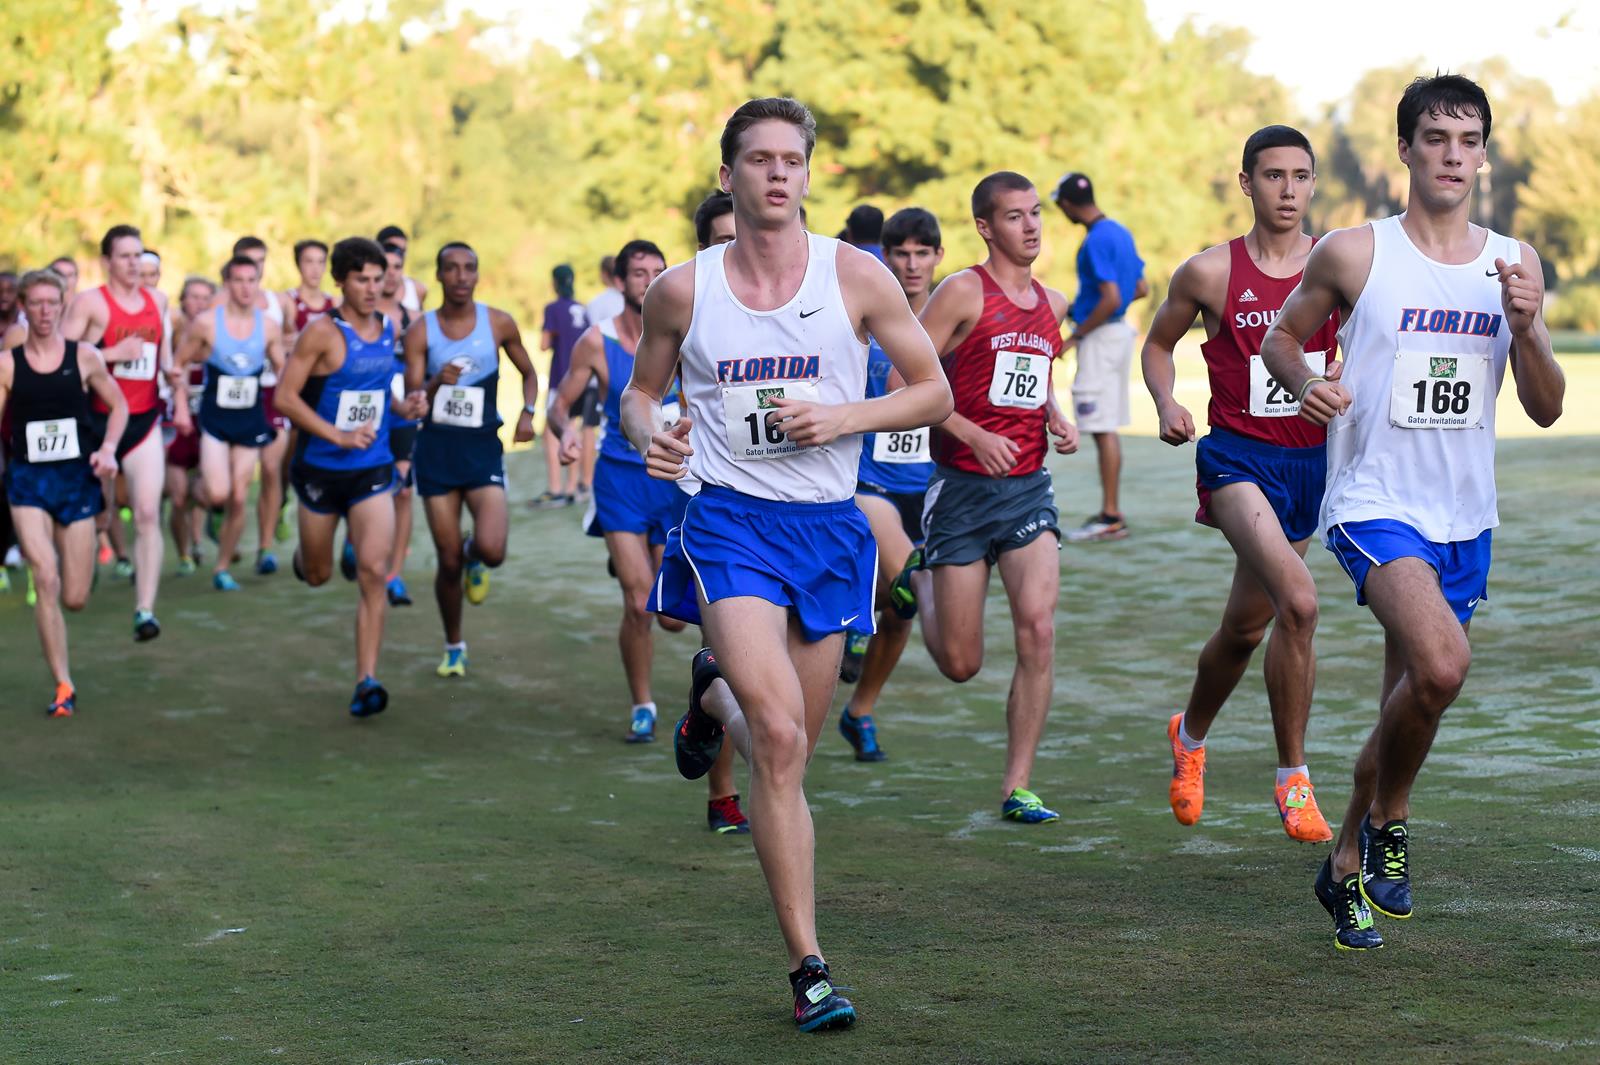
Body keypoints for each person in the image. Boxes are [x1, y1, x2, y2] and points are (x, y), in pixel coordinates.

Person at [627, 97, 951, 1032]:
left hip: (826, 528)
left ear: (809, 173)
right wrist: (656, 435)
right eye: (758, 159)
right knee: (776, 738)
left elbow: (932, 390)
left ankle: (707, 698)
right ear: (727, 175)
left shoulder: (855, 278)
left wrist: (845, 417)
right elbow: (640, 396)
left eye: (791, 159)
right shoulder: (683, 292)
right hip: (727, 523)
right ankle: (810, 964)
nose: (776, 173)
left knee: (789, 748)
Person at [1260, 74, 1564, 951]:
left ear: (1483, 153)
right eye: (1436, 138)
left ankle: (1345, 858)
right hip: (1373, 500)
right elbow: (1283, 339)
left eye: (1469, 140)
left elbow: (1544, 405)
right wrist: (1310, 381)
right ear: (1405, 148)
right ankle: (1391, 818)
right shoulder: (1357, 253)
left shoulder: (1513, 263)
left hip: (1464, 512)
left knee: (1412, 694)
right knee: (1441, 663)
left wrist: (1532, 328)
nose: (1453, 156)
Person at [1140, 125, 1342, 844]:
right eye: (1273, 175)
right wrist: (1167, 402)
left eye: (1300, 176)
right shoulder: (1209, 273)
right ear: (1247, 183)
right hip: (1235, 460)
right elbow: (1159, 343)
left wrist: (1342, 381)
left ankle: (1189, 735)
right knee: (1300, 601)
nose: (1288, 190)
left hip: (1308, 466)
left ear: (1313, 183)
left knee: (1245, 626)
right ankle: (1294, 779)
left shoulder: (1342, 265)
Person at [890, 172, 1078, 824]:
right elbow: (899, 380)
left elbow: (1033, 375)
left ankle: (1018, 785)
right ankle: (918, 575)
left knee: (1039, 628)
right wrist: (969, 430)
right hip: (961, 490)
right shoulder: (961, 291)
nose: (1030, 226)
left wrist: (1055, 412)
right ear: (985, 226)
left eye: (1035, 214)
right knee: (961, 663)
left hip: (1028, 487)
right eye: (1015, 216)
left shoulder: (1052, 302)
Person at [275, 236, 427, 717]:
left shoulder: (388, 327)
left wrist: (406, 406)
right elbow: (285, 398)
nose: (370, 287)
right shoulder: (322, 333)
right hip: (320, 470)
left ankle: (366, 680)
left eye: (377, 278)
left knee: (373, 573)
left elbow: (380, 390)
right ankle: (309, 555)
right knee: (318, 576)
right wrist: (338, 437)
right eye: (360, 278)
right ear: (341, 280)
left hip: (371, 471)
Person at [836, 206, 944, 760]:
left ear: (937, 257)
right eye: (898, 252)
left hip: (929, 489)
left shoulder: (954, 317)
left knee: (901, 608)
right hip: (866, 481)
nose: (910, 263)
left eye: (921, 252)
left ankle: (861, 709)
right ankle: (856, 621)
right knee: (909, 582)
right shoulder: (865, 313)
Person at [402, 242, 538, 679]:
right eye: (452, 269)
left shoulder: (497, 323)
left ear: (477, 275)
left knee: (492, 549)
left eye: (469, 269)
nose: (461, 276)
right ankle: (454, 644)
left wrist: (528, 413)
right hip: (437, 453)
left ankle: (473, 553)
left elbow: (529, 372)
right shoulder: (421, 331)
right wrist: (435, 382)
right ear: (439, 276)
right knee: (446, 563)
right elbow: (413, 401)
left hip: (482, 449)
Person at [2, 269, 127, 715]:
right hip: (28, 482)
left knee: (75, 597)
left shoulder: (86, 356)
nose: (44, 312)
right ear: (23, 306)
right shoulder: (8, 364)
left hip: (76, 480)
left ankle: (89, 551)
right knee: (45, 576)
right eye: (35, 303)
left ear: (62, 305)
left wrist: (109, 448)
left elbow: (119, 405)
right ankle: (63, 685)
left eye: (51, 303)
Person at [62, 224, 173, 642]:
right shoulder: (91, 303)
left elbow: (161, 353)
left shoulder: (158, 300)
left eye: (138, 254)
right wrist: (110, 354)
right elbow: (62, 360)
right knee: (99, 515)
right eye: (124, 256)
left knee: (147, 513)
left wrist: (170, 372)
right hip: (95, 422)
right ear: (107, 261)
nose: (133, 263)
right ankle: (78, 567)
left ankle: (145, 609)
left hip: (143, 420)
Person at [175, 254, 285, 591]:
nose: (246, 287)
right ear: (227, 284)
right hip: (215, 419)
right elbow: (178, 365)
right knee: (219, 493)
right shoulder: (208, 323)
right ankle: (200, 495)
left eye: (252, 280)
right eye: (238, 280)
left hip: (250, 419)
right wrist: (180, 407)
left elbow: (283, 369)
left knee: (239, 497)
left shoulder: (267, 325)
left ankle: (222, 567)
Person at [1051, 171, 1147, 542]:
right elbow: (1139, 288)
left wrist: (1074, 336)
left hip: (1102, 338)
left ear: (1068, 204)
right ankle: (1111, 511)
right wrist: (1090, 305)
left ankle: (1110, 515)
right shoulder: (1119, 232)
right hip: (1118, 333)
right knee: (1105, 425)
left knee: (1102, 426)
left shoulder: (1094, 241)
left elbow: (1110, 297)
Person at [225, 236, 291, 575]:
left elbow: (294, 340)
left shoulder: (278, 303)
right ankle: (227, 533)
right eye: (248, 261)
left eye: (261, 261)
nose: (256, 267)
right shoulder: (218, 306)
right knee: (232, 485)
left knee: (270, 469)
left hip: (271, 394)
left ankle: (264, 547)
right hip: (235, 396)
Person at [375, 241, 419, 605]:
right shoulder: (360, 313)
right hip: (367, 414)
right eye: (384, 267)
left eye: (396, 267)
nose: (391, 274)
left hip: (403, 416)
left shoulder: (411, 318)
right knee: (370, 487)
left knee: (403, 491)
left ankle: (394, 574)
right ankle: (356, 544)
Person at [164, 276, 212, 575]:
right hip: (175, 425)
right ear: (182, 300)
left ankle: (199, 537)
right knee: (178, 495)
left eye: (205, 298)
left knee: (205, 491)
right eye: (192, 297)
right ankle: (184, 554)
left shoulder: (220, 337)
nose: (198, 304)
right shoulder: (170, 336)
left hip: (207, 426)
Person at [535, 264, 587, 507]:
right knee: (573, 429)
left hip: (560, 377)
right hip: (583, 379)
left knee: (552, 431)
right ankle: (571, 487)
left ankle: (555, 487)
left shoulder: (553, 309)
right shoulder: (582, 309)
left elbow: (544, 344)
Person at [376, 225, 427, 313]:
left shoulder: (417, 289)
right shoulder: (365, 292)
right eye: (392, 247)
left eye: (403, 251)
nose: (397, 254)